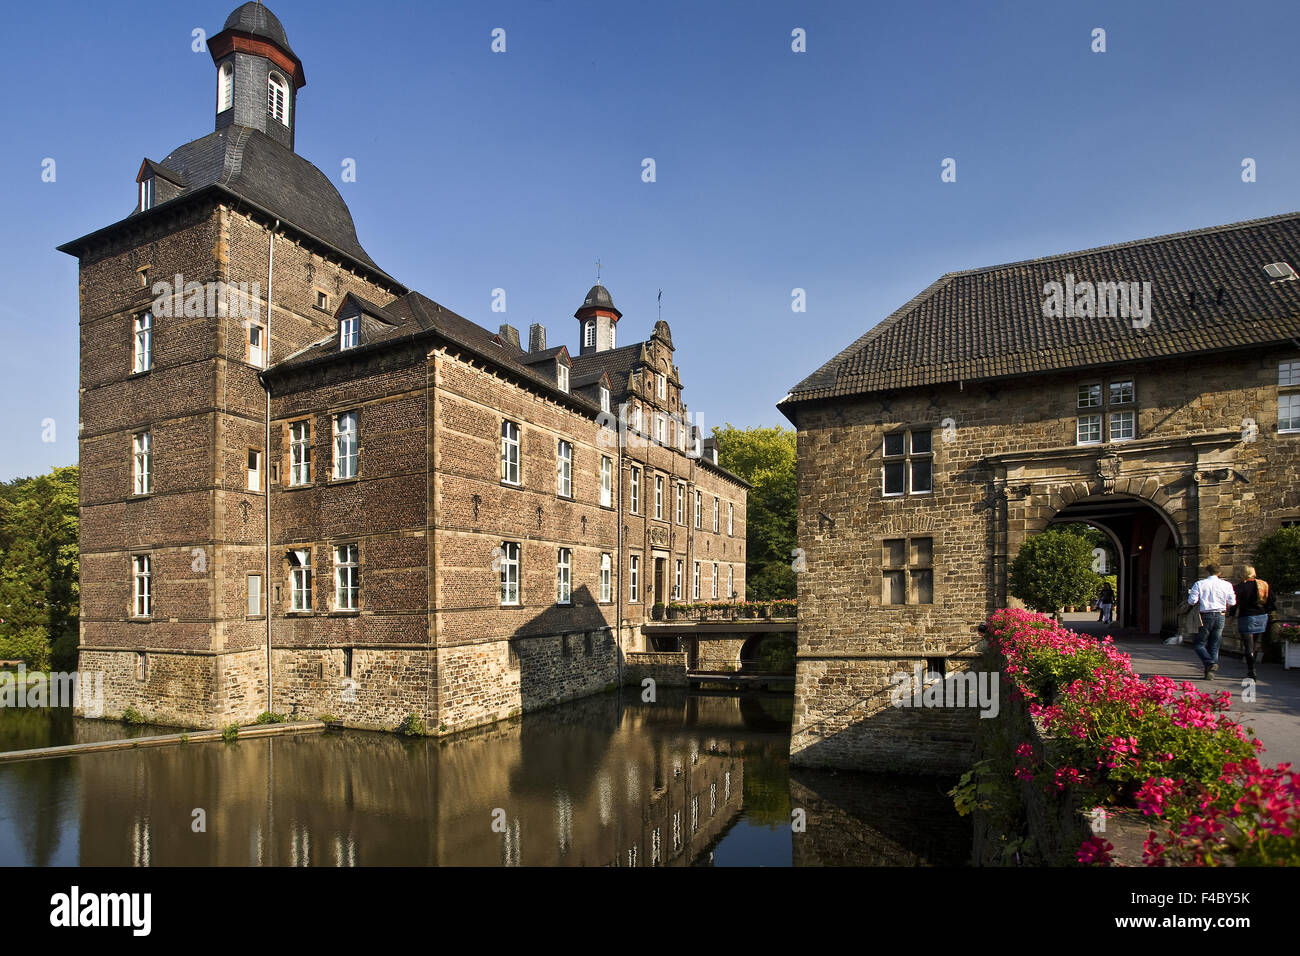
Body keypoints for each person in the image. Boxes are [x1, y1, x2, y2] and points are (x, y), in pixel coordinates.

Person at [1187, 563, 1236, 680]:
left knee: (1199, 644)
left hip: (1205, 615)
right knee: (1214, 644)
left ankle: (1209, 663)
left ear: (1207, 572)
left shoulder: (1199, 584)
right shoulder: (1227, 585)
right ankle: (1209, 672)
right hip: (1220, 615)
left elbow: (1192, 601)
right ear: (1219, 573)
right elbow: (1232, 601)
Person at [1230, 566, 1275, 680]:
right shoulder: (1263, 585)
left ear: (1243, 574)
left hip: (1246, 616)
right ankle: (1253, 665)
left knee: (1248, 645)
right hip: (1261, 616)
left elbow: (1235, 603)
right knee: (1254, 642)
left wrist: (1231, 615)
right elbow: (1272, 599)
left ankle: (1252, 670)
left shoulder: (1240, 587)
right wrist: (1268, 610)